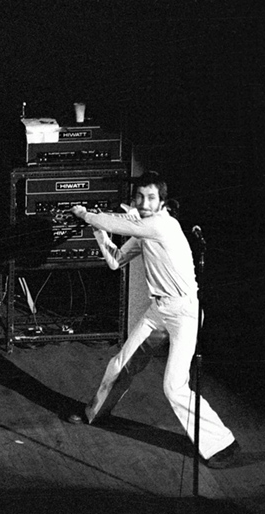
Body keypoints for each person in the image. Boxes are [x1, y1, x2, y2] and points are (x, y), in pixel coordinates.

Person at [66, 171, 240, 469]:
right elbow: (114, 261)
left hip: (184, 312)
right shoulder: (143, 231)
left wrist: (86, 214)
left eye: (151, 198)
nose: (145, 203)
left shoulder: (161, 225)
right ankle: (95, 413)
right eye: (140, 197)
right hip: (158, 310)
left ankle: (222, 444)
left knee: (174, 386)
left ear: (161, 203)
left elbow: (117, 222)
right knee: (120, 364)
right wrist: (98, 231)